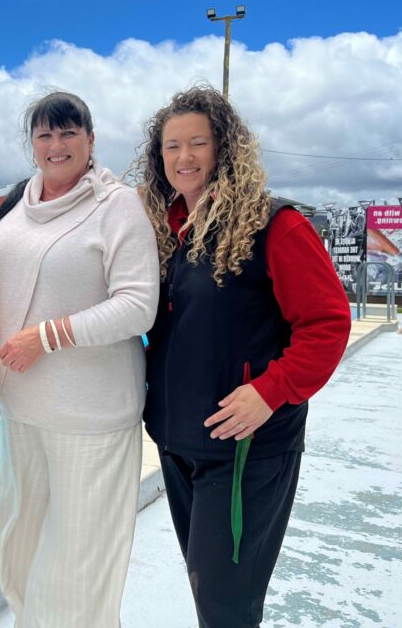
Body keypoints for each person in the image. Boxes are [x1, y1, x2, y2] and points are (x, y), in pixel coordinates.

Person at [140, 85, 351, 628]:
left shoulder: (273, 224)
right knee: (208, 593)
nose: (184, 157)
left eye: (198, 142)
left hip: (245, 450)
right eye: (171, 146)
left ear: (224, 147)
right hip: (180, 444)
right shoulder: (167, 231)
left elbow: (327, 323)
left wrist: (270, 391)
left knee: (225, 607)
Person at [0, 91, 158, 627]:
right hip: (22, 410)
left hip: (90, 417)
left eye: (68, 132)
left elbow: (138, 305)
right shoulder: (19, 201)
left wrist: (48, 336)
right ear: (32, 144)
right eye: (45, 134)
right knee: (11, 540)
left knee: (76, 571)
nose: (56, 144)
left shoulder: (116, 206)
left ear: (90, 139)